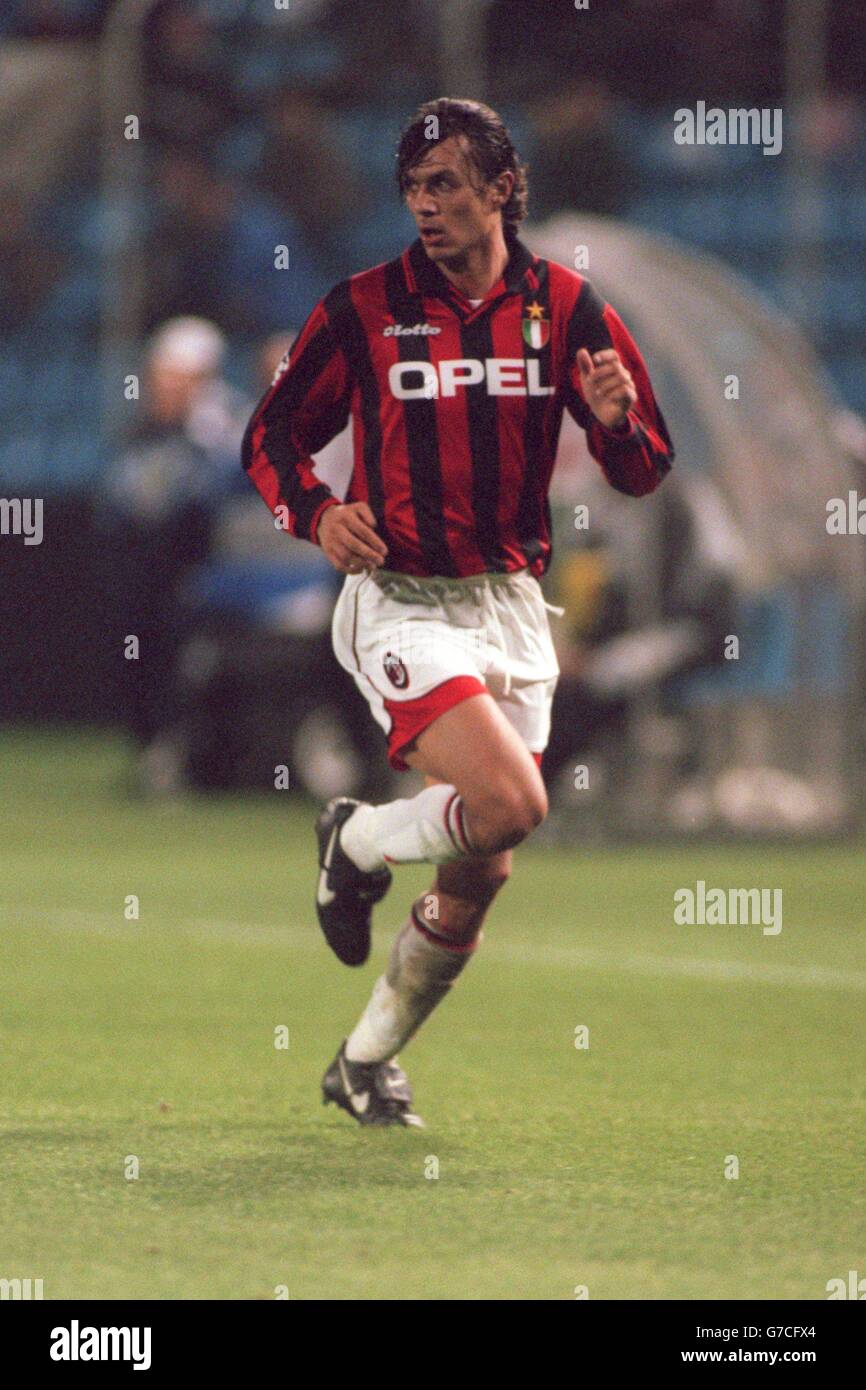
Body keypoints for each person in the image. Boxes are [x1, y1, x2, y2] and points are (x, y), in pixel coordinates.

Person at [242, 97, 674, 1127]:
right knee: (514, 802)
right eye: (412, 186)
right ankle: (352, 842)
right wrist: (316, 514)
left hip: (511, 606)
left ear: (501, 190)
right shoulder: (362, 307)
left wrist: (615, 426)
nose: (423, 204)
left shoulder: (565, 309)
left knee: (478, 874)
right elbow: (269, 439)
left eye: (443, 183)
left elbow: (644, 467)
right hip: (401, 600)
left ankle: (362, 1060)